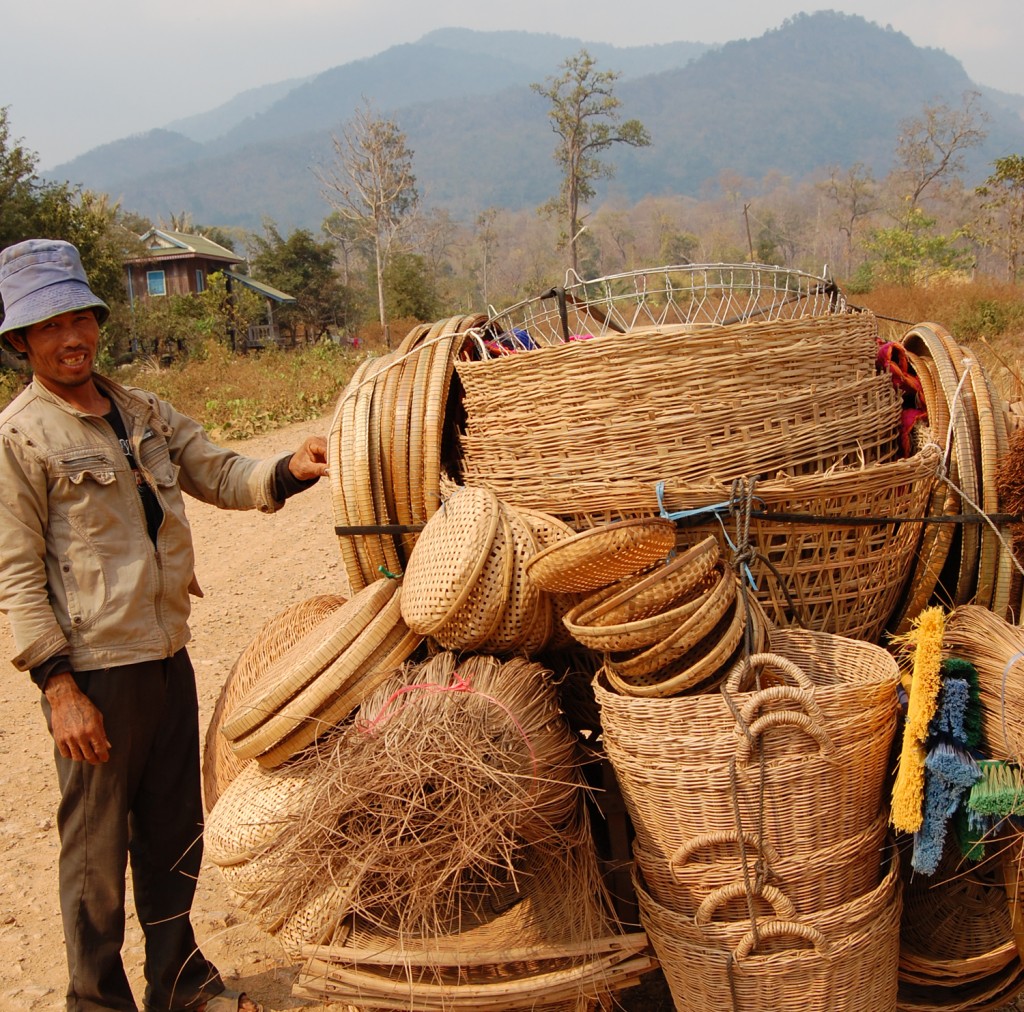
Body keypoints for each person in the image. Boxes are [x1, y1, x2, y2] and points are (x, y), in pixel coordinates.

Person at [0, 239, 329, 1012]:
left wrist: (289, 468)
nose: (71, 335)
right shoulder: (21, 438)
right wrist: (58, 689)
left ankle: (181, 985)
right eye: (51, 326)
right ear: (21, 341)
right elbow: (15, 574)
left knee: (173, 836)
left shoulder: (141, 410)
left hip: (165, 655)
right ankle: (96, 1000)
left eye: (81, 316)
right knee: (94, 853)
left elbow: (218, 471)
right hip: (94, 672)